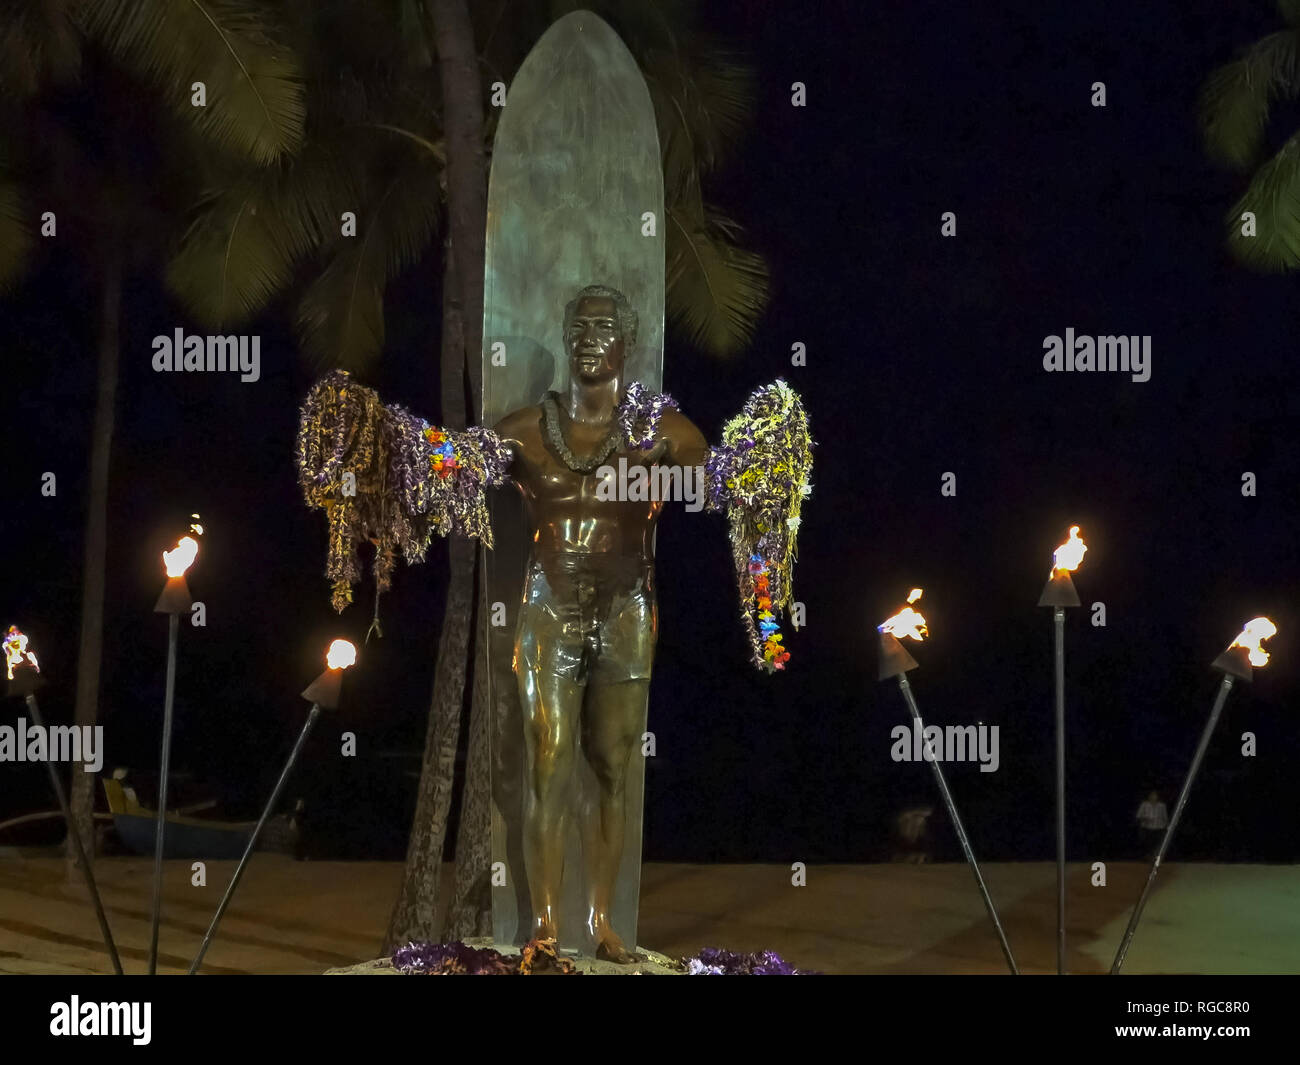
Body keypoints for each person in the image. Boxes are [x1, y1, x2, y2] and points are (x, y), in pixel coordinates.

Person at [1135, 790, 1168, 859]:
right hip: (1147, 827)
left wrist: (1165, 827)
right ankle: (1147, 857)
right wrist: (1145, 819)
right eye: (1152, 795)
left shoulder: (1162, 805)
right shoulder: (1144, 804)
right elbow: (1139, 816)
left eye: (1155, 795)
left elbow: (1165, 817)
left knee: (1157, 844)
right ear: (1149, 796)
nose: (1153, 797)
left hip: (1159, 828)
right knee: (1147, 844)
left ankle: (1156, 857)